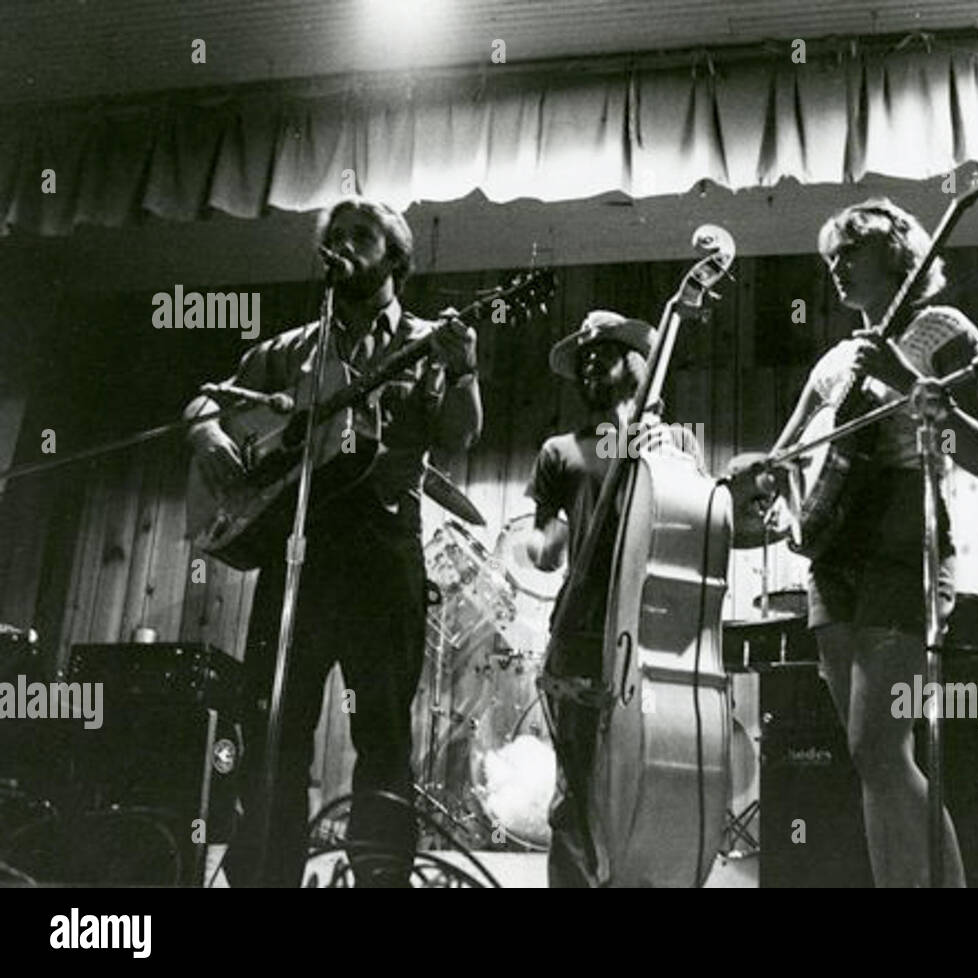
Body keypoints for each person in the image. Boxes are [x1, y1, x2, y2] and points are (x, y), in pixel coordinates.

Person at [183, 198, 482, 886]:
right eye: (335, 236)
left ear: (394, 257)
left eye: (362, 236)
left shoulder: (429, 336)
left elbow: (460, 434)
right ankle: (266, 876)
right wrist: (206, 433)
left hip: (384, 553)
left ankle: (379, 878)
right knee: (273, 728)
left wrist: (463, 371)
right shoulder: (291, 348)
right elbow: (204, 400)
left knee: (382, 733)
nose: (343, 245)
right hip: (299, 554)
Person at [769, 198, 978, 887]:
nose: (836, 266)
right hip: (834, 548)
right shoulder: (836, 360)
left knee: (882, 744)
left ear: (897, 250)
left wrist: (911, 383)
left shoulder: (944, 328)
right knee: (867, 756)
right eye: (831, 256)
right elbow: (780, 456)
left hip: (906, 533)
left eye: (851, 250)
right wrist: (781, 502)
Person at [522, 310, 704, 887]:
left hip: (652, 633)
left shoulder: (675, 440)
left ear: (640, 364)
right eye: (583, 364)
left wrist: (665, 453)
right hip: (580, 627)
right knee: (573, 782)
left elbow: (693, 519)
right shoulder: (559, 451)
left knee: (649, 774)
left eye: (604, 356)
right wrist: (541, 543)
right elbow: (544, 535)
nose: (590, 367)